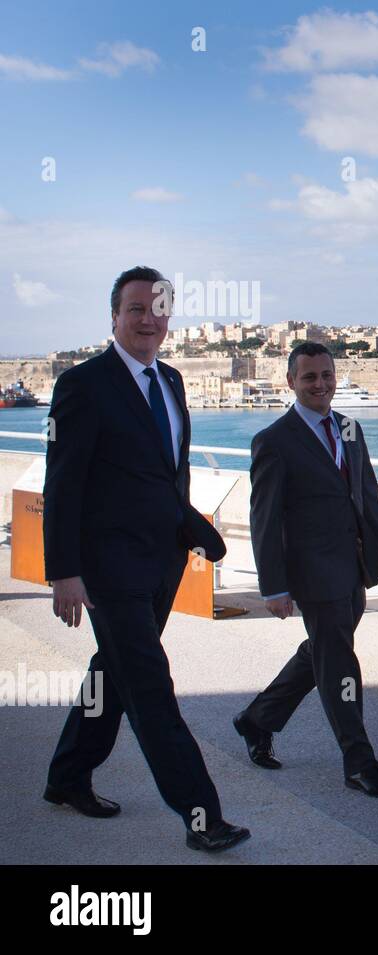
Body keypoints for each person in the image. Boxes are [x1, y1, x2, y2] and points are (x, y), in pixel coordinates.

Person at [43, 266, 249, 852]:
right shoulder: (83, 385)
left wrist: (196, 530)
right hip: (108, 568)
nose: (147, 320)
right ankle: (202, 815)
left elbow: (166, 477)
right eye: (135, 309)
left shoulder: (175, 381)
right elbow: (64, 484)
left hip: (163, 559)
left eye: (158, 309)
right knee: (150, 685)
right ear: (113, 316)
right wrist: (64, 571)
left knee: (113, 674)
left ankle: (67, 775)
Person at [234, 342, 378, 797]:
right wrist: (273, 586)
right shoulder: (273, 441)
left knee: (324, 651)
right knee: (340, 665)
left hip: (355, 566)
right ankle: (359, 761)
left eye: (327, 375)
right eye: (309, 377)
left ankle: (257, 719)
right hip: (312, 573)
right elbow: (265, 520)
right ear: (291, 381)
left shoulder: (351, 429)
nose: (320, 384)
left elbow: (367, 495)